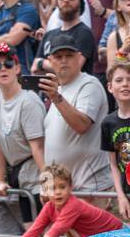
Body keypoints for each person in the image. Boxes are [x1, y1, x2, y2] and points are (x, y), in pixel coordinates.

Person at [0, 44, 46, 236]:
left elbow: (38, 147)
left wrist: (48, 183)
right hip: (19, 176)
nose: (3, 69)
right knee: (30, 234)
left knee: (43, 236)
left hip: (37, 175)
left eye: (8, 63)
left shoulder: (28, 100)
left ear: (17, 68)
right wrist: (0, 179)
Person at [37, 29, 112, 201]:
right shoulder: (58, 91)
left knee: (94, 229)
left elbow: (81, 125)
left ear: (79, 58)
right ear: (49, 61)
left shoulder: (89, 84)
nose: (64, 60)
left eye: (69, 55)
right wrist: (46, 183)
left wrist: (56, 97)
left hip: (90, 188)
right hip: (63, 190)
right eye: (58, 56)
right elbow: (50, 147)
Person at [11, 163, 124, 237]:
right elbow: (32, 231)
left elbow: (53, 233)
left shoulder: (73, 205)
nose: (58, 192)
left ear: (70, 187)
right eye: (52, 188)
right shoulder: (49, 207)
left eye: (62, 186)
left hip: (118, 235)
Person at [101, 64, 130, 222]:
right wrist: (120, 195)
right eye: (119, 80)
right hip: (127, 191)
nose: (125, 84)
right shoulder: (108, 122)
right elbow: (113, 164)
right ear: (109, 86)